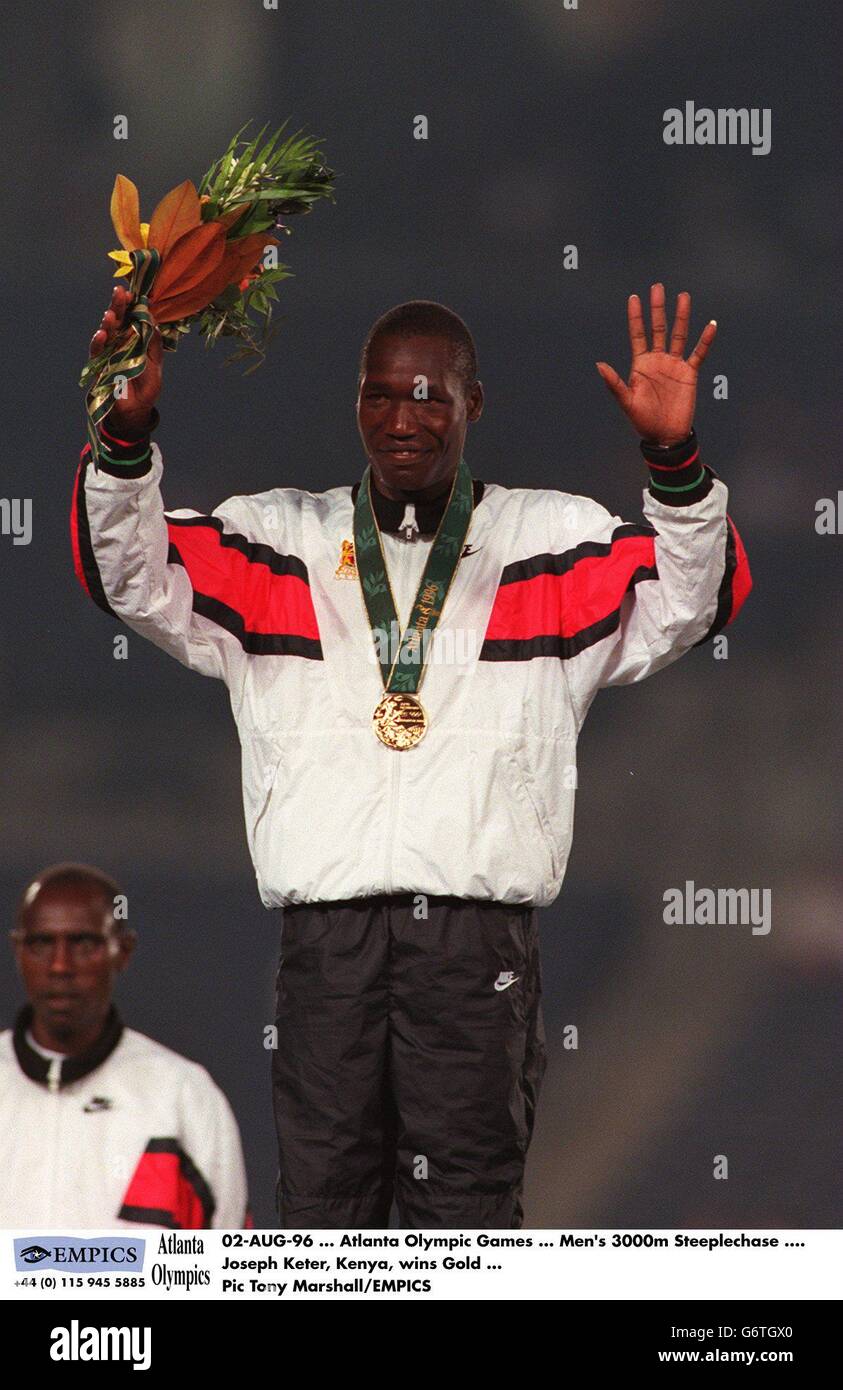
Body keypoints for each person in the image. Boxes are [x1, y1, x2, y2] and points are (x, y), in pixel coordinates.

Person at [72, 284, 751, 1229]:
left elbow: (694, 599)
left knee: (466, 1216)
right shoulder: (281, 540)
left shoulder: (544, 541)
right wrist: (127, 433)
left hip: (476, 947)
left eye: (430, 396)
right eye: (380, 395)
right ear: (355, 403)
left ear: (474, 404)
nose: (402, 419)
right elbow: (132, 576)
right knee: (323, 1213)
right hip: (326, 943)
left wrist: (672, 459)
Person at [1, 862, 249, 1229]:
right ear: (18, 952)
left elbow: (228, 1264)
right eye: (41, 943)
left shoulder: (181, 1095)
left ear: (124, 951)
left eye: (83, 944)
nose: (59, 965)